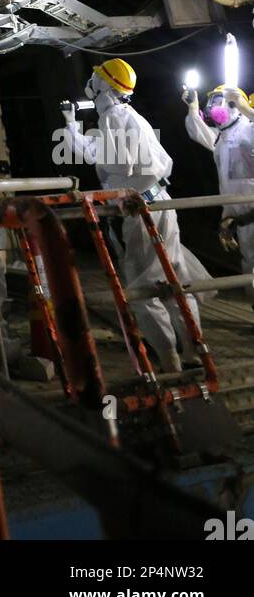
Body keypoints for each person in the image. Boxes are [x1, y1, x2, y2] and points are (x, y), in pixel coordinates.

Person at [60, 58, 210, 373]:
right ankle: (193, 350)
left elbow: (119, 167)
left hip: (140, 211)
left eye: (94, 78)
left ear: (102, 85)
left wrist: (108, 193)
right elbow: (99, 152)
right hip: (161, 203)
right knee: (175, 280)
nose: (91, 82)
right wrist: (71, 125)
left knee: (144, 287)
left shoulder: (113, 117)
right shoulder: (130, 116)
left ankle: (168, 358)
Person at [184, 84, 254, 300]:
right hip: (240, 218)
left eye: (218, 100)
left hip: (251, 212)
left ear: (234, 104)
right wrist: (193, 109)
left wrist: (247, 110)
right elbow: (199, 132)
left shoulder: (248, 129)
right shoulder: (221, 138)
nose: (212, 106)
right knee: (249, 263)